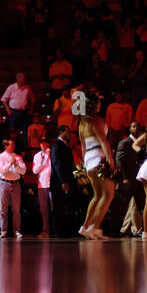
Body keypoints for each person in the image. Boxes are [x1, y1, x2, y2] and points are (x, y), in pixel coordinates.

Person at [76, 91, 116, 239]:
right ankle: (96, 227)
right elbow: (103, 141)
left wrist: (85, 165)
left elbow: (83, 147)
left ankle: (85, 227)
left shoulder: (81, 124)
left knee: (98, 195)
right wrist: (110, 160)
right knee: (109, 194)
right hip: (99, 157)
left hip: (88, 160)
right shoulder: (97, 120)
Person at [0, 137, 27, 238]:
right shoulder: (0, 157)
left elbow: (23, 171)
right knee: (3, 209)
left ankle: (16, 230)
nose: (13, 146)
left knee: (16, 210)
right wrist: (10, 163)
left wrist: (15, 164)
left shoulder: (18, 157)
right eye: (11, 144)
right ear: (5, 146)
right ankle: (3, 230)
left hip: (16, 184)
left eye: (13, 144)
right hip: (4, 183)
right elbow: (2, 170)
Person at [49, 127, 77, 238]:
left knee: (66, 206)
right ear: (61, 132)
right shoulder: (57, 145)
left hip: (67, 181)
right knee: (58, 207)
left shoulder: (65, 146)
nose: (69, 134)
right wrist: (63, 181)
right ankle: (58, 231)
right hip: (59, 182)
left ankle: (65, 230)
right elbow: (57, 164)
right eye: (67, 131)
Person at [33, 136, 53, 238]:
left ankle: (55, 230)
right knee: (44, 210)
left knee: (54, 208)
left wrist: (49, 156)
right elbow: (35, 170)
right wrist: (44, 159)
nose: (43, 145)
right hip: (42, 185)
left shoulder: (54, 153)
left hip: (53, 184)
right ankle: (46, 231)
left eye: (45, 143)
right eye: (41, 143)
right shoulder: (37, 156)